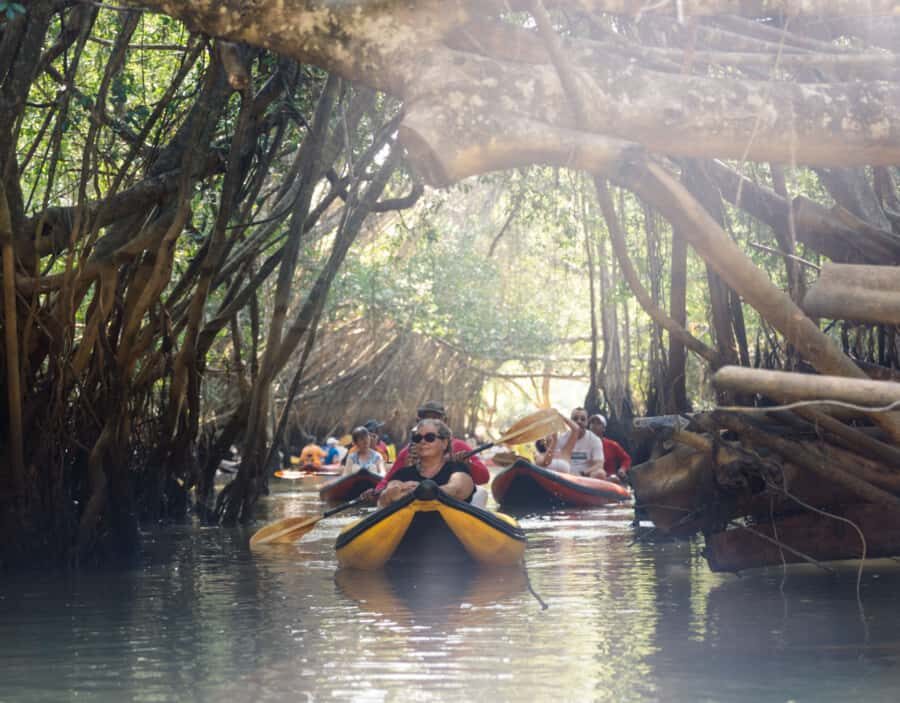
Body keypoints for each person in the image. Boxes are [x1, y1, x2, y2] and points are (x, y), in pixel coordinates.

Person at [375, 401, 490, 492]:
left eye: (435, 418)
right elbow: (388, 481)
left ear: (444, 421)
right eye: (426, 418)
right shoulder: (407, 453)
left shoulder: (459, 447)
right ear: (418, 422)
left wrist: (468, 465)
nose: (424, 443)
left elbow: (484, 478)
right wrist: (376, 491)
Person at [377, 418, 474, 507]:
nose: (423, 441)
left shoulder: (457, 469)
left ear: (444, 443)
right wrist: (393, 492)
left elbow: (458, 489)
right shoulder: (403, 473)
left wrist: (419, 491)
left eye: (430, 437)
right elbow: (385, 497)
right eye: (418, 438)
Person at [554, 407, 605, 477]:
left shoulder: (594, 440)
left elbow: (599, 464)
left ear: (587, 422)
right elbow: (554, 461)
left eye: (583, 419)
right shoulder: (561, 438)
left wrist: (583, 473)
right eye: (575, 419)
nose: (579, 421)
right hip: (565, 476)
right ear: (570, 421)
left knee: (600, 473)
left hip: (585, 476)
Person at [589, 414, 631, 482]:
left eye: (598, 423)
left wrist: (622, 469)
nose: (594, 425)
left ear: (604, 428)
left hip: (609, 480)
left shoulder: (612, 445)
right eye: (592, 423)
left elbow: (626, 458)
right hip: (588, 480)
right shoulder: (583, 444)